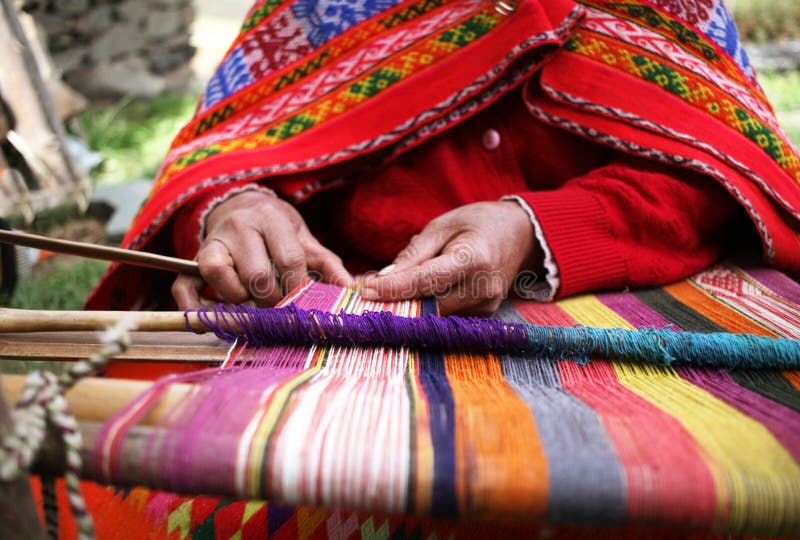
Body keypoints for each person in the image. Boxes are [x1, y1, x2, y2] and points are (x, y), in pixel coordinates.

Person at [87, 0, 800, 318]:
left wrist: (537, 231)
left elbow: (728, 173)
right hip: (343, 346)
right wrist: (238, 210)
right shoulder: (316, 8)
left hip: (629, 322)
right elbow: (226, 153)